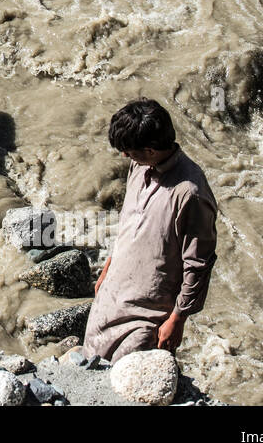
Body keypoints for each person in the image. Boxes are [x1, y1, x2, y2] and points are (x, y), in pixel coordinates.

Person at [83, 98, 218, 363]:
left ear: (152, 150)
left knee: (128, 378)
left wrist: (178, 318)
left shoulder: (190, 194)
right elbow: (130, 220)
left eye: (130, 152)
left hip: (149, 309)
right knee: (90, 360)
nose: (125, 157)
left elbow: (198, 263)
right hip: (114, 290)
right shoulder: (140, 164)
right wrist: (109, 265)